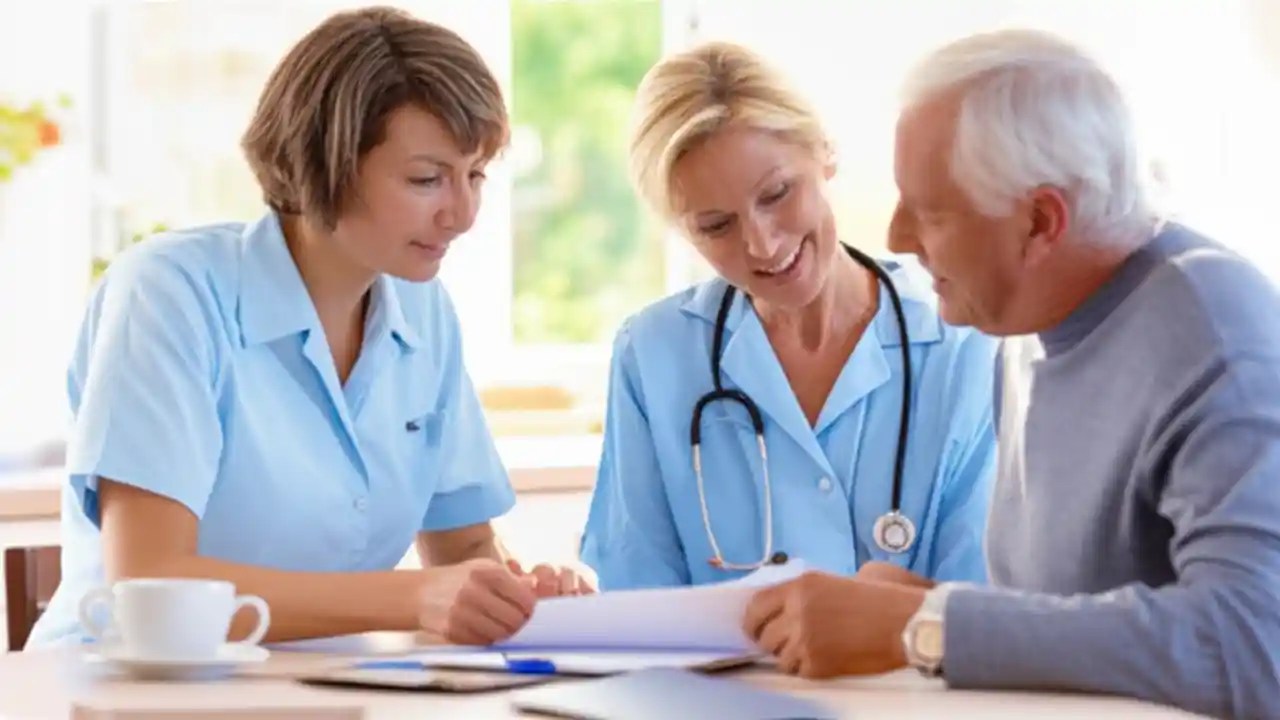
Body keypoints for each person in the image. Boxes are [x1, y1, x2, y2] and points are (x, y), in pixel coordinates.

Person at [741, 29, 1280, 718]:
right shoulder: (1022, 333)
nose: (897, 238)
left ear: (1039, 221)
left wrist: (928, 626)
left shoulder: (1218, 336)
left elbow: (1254, 645)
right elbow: (1092, 613)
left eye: (930, 212)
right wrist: (922, 609)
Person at [27, 7, 590, 650]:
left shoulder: (425, 314)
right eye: (427, 179)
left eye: (476, 175)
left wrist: (518, 595)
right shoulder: (171, 293)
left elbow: (462, 546)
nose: (462, 215)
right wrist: (414, 598)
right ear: (323, 162)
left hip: (323, 692)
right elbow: (150, 585)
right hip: (126, 693)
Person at [579, 41, 998, 590]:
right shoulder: (653, 354)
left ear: (824, 153)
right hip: (702, 680)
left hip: (909, 677)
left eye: (776, 194)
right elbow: (636, 593)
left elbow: (980, 605)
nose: (761, 245)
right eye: (715, 226)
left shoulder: (962, 341)